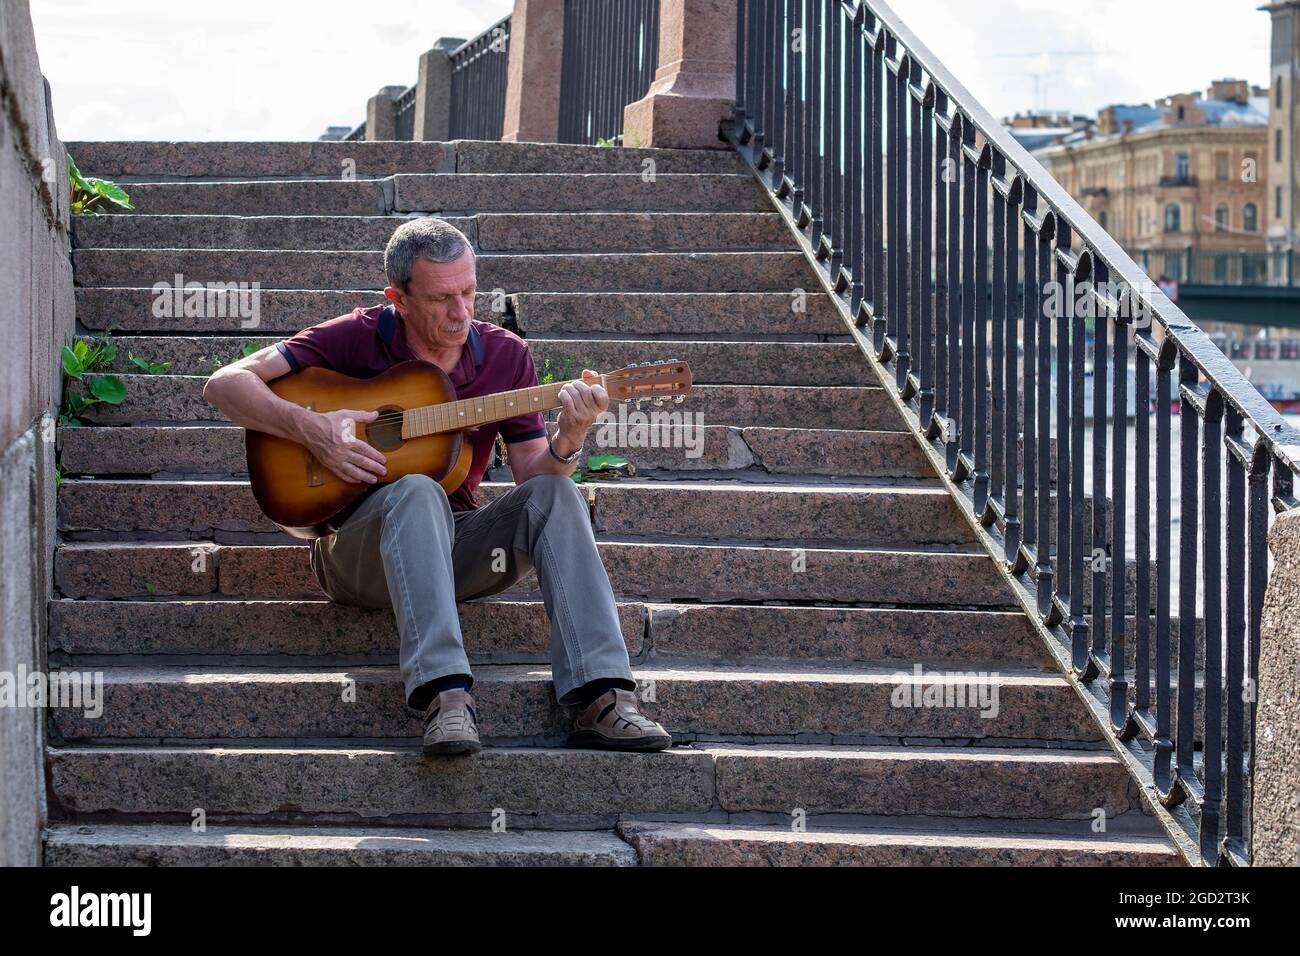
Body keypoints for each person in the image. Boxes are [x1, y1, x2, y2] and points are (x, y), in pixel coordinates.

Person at [202, 217, 672, 756]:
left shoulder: (505, 355)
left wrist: (569, 436)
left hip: (455, 552)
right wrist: (312, 428)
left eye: (470, 292)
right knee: (417, 489)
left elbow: (532, 477)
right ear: (397, 298)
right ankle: (446, 696)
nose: (461, 313)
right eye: (441, 298)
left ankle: (603, 693)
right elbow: (224, 384)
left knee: (559, 494)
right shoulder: (357, 335)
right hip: (358, 555)